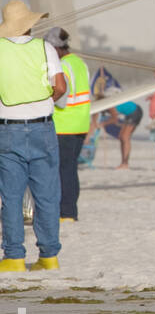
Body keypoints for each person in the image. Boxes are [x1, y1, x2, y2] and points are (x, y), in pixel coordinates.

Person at [0, 0, 66, 271]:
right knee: (47, 195)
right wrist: (42, 102)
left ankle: (14, 257)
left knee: (11, 196)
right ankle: (49, 257)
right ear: (30, 24)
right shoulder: (46, 47)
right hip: (43, 127)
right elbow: (60, 87)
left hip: (8, 129)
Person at [46, 27, 91, 222]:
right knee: (70, 169)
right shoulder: (80, 64)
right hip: (81, 124)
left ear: (56, 48)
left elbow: (62, 98)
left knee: (62, 170)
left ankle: (66, 212)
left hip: (64, 125)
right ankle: (70, 211)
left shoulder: (62, 66)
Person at [106, 95, 143, 169]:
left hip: (135, 111)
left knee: (124, 137)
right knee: (122, 137)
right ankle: (124, 162)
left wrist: (101, 124)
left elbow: (114, 119)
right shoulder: (102, 106)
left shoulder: (108, 105)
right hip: (129, 114)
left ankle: (125, 163)